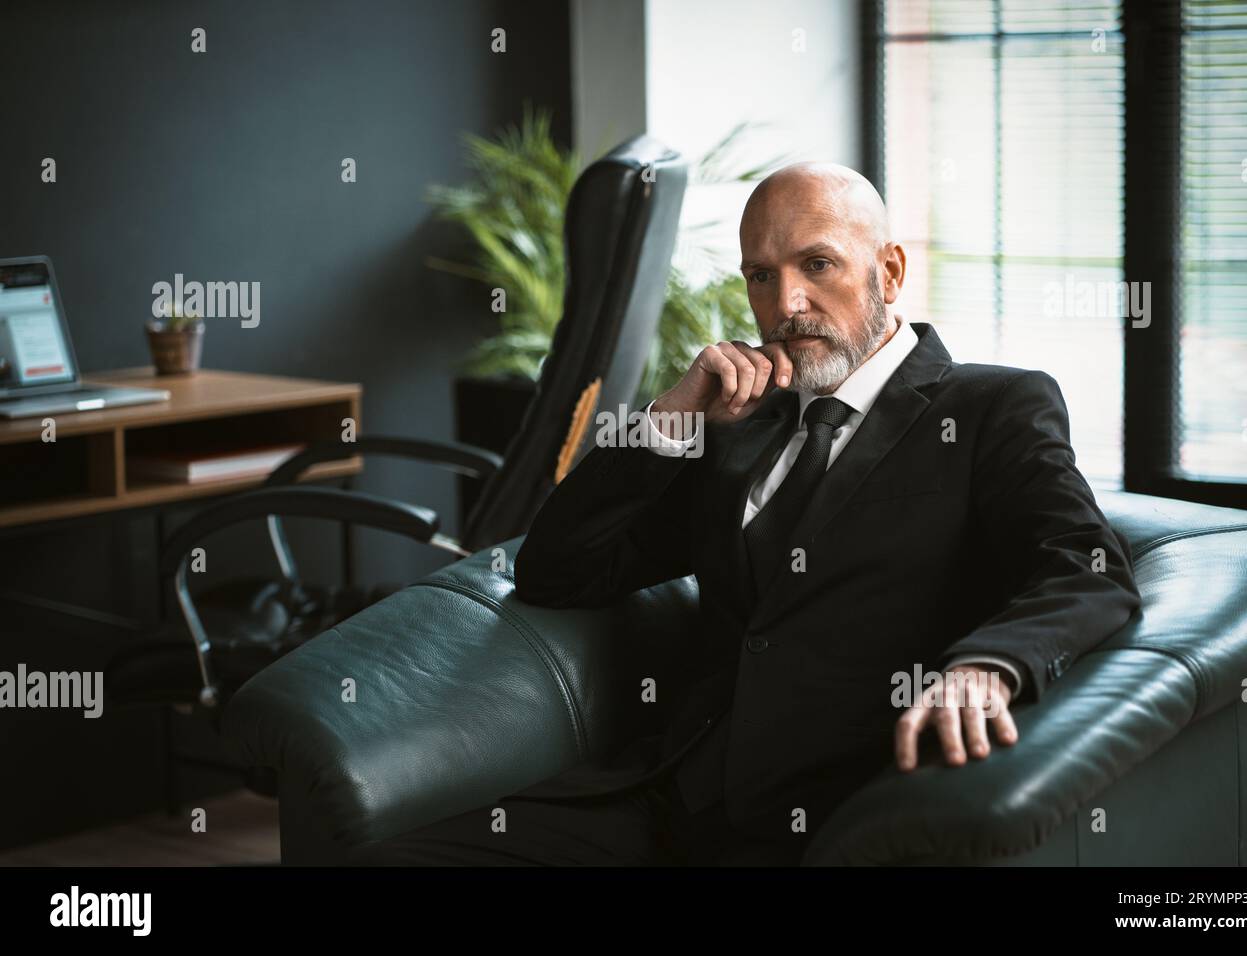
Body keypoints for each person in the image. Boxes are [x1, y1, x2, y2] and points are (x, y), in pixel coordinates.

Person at [345, 161, 1142, 866]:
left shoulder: (992, 406)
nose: (785, 301)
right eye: (759, 275)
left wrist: (986, 666)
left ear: (890, 272)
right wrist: (666, 422)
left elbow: (1087, 567)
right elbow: (557, 571)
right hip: (664, 797)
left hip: (834, 820)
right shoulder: (739, 426)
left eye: (817, 264)